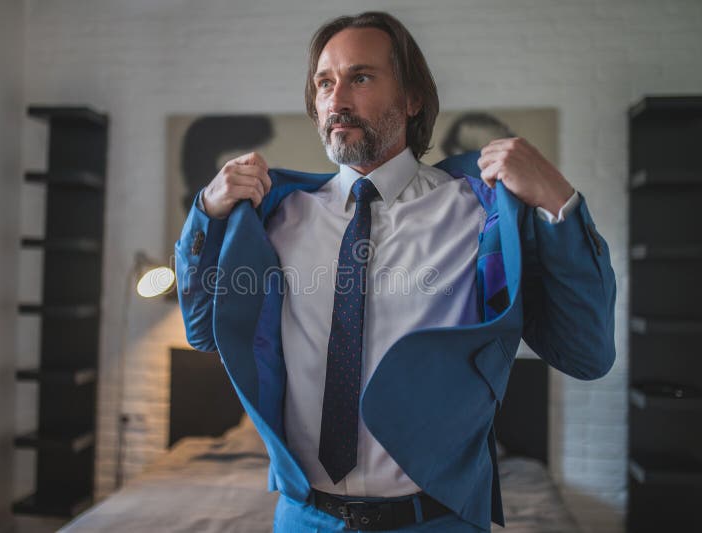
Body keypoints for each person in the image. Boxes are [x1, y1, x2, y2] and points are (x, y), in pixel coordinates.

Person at [175, 11, 615, 532]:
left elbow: (587, 354)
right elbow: (202, 331)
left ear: (412, 99)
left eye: (360, 78)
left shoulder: (481, 215)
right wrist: (206, 209)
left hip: (434, 521)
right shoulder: (274, 217)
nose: (336, 99)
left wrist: (561, 203)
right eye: (324, 82)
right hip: (302, 519)